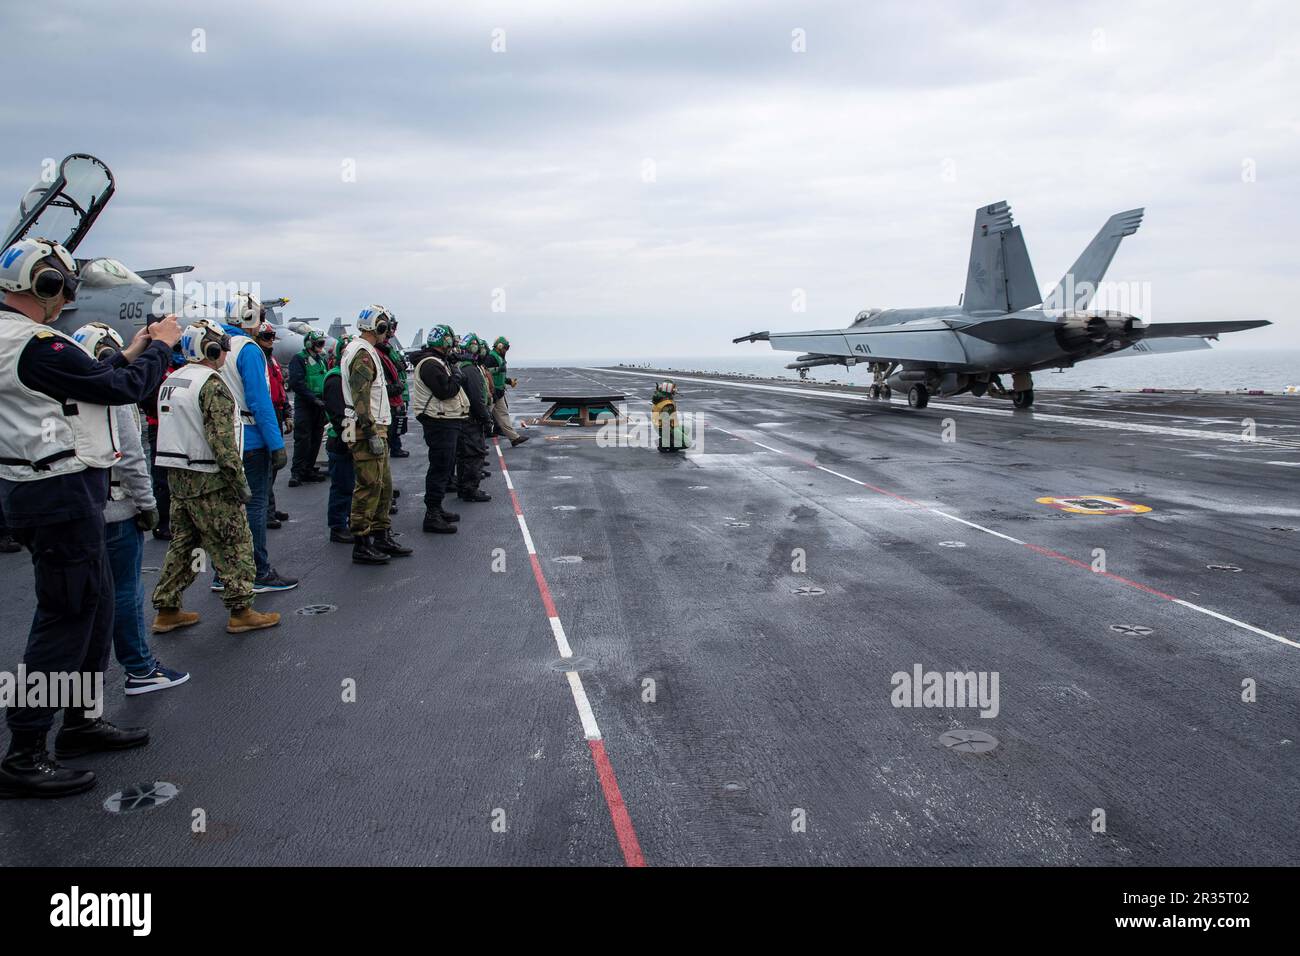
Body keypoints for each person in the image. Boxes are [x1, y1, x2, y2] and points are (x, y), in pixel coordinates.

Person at [0, 237, 179, 798]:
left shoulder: (19, 343)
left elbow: (87, 383)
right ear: (45, 284)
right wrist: (160, 349)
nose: (67, 297)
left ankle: (80, 721)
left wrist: (133, 350)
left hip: (54, 495)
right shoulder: (34, 344)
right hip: (58, 496)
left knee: (94, 610)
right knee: (66, 619)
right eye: (63, 285)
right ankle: (25, 750)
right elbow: (121, 389)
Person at [72, 323, 189, 695]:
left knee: (80, 603)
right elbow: (131, 456)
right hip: (117, 509)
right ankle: (140, 668)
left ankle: (77, 690)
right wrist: (147, 504)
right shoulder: (113, 396)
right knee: (124, 591)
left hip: (81, 508)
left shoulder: (67, 389)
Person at [150, 320, 280, 636]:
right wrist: (238, 481)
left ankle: (167, 608)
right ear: (210, 349)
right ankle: (241, 610)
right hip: (210, 476)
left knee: (184, 544)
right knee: (235, 542)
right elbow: (221, 440)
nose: (225, 352)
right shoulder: (211, 384)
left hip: (178, 474)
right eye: (222, 347)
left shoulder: (174, 379)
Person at [219, 293, 296, 591]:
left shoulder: (217, 345)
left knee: (228, 509)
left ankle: (224, 574)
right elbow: (260, 402)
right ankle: (258, 571)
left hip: (223, 439)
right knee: (254, 507)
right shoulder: (248, 349)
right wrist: (276, 444)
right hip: (250, 440)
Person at [340, 306, 412, 563]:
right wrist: (370, 432)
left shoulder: (365, 350)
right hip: (366, 429)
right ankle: (361, 543)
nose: (389, 331)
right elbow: (361, 398)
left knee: (383, 486)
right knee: (369, 486)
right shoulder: (362, 354)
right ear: (378, 327)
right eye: (386, 326)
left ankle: (381, 535)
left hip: (374, 426)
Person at [411, 325, 468, 534]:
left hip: (445, 419)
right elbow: (445, 391)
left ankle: (437, 508)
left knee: (444, 466)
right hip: (439, 421)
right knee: (440, 467)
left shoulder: (436, 362)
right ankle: (432, 514)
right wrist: (457, 376)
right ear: (445, 341)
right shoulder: (430, 364)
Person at [139, 345, 184, 540]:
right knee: (162, 477)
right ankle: (162, 523)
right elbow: (147, 398)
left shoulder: (179, 368)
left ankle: (177, 520)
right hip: (159, 426)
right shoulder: (158, 368)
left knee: (178, 474)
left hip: (179, 426)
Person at [256, 322, 291, 529]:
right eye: (266, 337)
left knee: (274, 466)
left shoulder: (272, 360)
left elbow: (280, 388)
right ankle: (266, 511)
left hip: (276, 414)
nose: (271, 340)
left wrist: (287, 413)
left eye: (272, 337)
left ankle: (269, 506)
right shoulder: (257, 359)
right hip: (266, 416)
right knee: (266, 466)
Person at [453, 333, 493, 503]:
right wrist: (486, 418)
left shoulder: (461, 367)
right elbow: (477, 399)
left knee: (463, 455)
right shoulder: (471, 370)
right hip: (471, 419)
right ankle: (470, 489)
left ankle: (464, 488)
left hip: (462, 418)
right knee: (474, 454)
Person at [322, 335, 354, 544]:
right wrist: (350, 439)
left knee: (352, 484)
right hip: (341, 439)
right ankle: (338, 526)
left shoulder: (349, 376)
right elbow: (339, 415)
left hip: (352, 436)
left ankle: (350, 521)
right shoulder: (336, 379)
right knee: (342, 485)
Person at [287, 329, 329, 485]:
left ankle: (308, 469)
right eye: (319, 343)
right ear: (310, 343)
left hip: (320, 404)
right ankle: (297, 472)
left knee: (316, 438)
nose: (321, 346)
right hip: (305, 404)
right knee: (302, 439)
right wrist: (312, 399)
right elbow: (296, 383)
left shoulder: (321, 360)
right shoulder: (299, 359)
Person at [485, 335, 528, 447]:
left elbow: (500, 376)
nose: (506, 350)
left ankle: (514, 438)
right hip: (491, 392)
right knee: (484, 416)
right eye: (505, 348)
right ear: (499, 346)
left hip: (498, 392)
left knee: (503, 415)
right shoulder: (491, 357)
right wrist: (498, 369)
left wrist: (509, 381)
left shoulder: (499, 357)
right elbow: (485, 371)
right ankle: (477, 442)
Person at [381, 320, 410, 459]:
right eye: (391, 328)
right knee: (392, 422)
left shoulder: (388, 347)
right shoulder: (381, 349)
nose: (393, 331)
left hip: (398, 390)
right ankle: (393, 448)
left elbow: (400, 365)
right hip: (392, 392)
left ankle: (395, 447)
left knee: (398, 420)